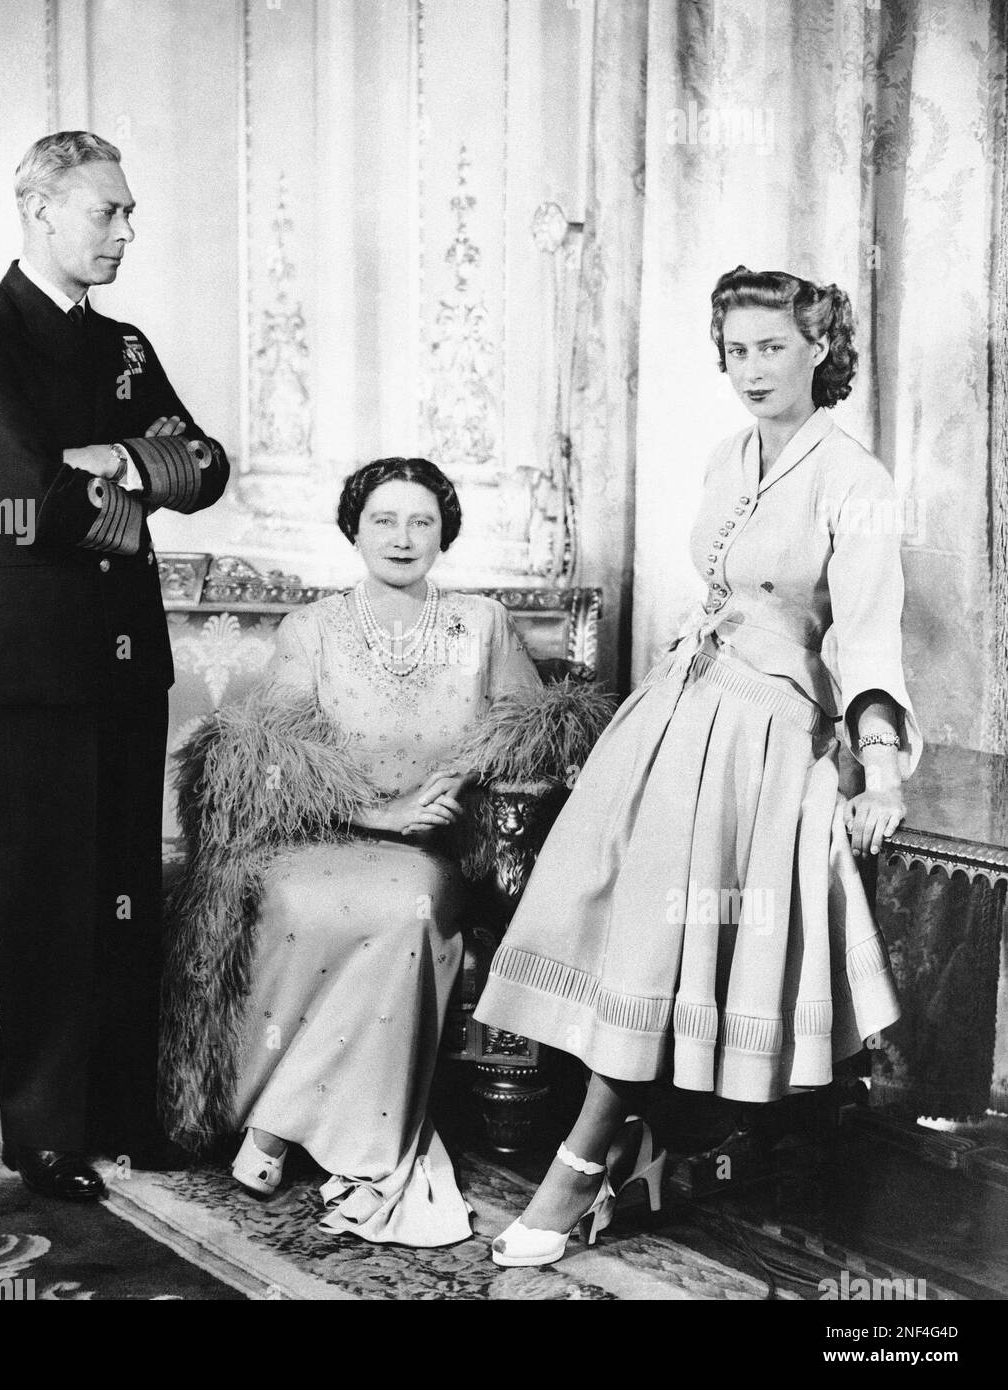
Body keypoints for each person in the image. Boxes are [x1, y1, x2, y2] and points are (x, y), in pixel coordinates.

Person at [475, 266, 921, 1267]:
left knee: (661, 946)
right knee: (614, 926)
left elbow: (872, 636)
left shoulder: (859, 479)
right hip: (678, 716)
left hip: (767, 741)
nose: (750, 367)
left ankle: (580, 1161)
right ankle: (636, 1138)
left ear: (819, 348)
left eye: (771, 345)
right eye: (735, 349)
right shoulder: (726, 456)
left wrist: (878, 761)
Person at [0, 131, 230, 1201]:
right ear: (41, 208)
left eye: (129, 213)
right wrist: (131, 499)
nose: (126, 233)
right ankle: (48, 1134)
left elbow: (209, 465)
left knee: (119, 892)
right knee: (44, 894)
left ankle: (128, 1112)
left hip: (120, 656)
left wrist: (116, 463)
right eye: (109, 212)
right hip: (25, 660)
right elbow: (15, 498)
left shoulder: (127, 345)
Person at [160, 457, 542, 1245]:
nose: (402, 538)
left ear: (444, 533)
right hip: (325, 833)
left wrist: (460, 778)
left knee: (403, 909)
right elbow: (264, 754)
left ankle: (275, 1126)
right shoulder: (315, 628)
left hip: (435, 843)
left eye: (421, 522)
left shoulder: (482, 622)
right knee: (300, 900)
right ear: (353, 528)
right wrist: (374, 810)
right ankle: (279, 1112)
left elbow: (531, 731)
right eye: (383, 520)